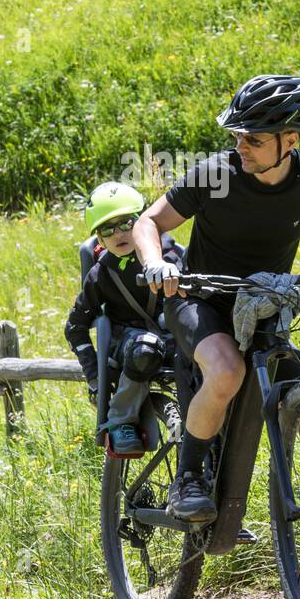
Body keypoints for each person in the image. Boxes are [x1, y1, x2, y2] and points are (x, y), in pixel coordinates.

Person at [132, 74, 300, 522]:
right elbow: (148, 223)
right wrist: (157, 263)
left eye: (252, 138)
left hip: (265, 302)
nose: (241, 146)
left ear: (289, 140)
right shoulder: (215, 174)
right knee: (227, 370)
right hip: (199, 298)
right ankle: (188, 477)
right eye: (236, 135)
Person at [64, 181, 183, 456]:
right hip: (132, 344)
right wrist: (95, 377)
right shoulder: (101, 274)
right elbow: (75, 327)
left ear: (142, 223)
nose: (119, 233)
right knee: (146, 347)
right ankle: (121, 421)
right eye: (107, 228)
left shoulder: (171, 257)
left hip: (175, 336)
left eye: (127, 223)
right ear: (100, 240)